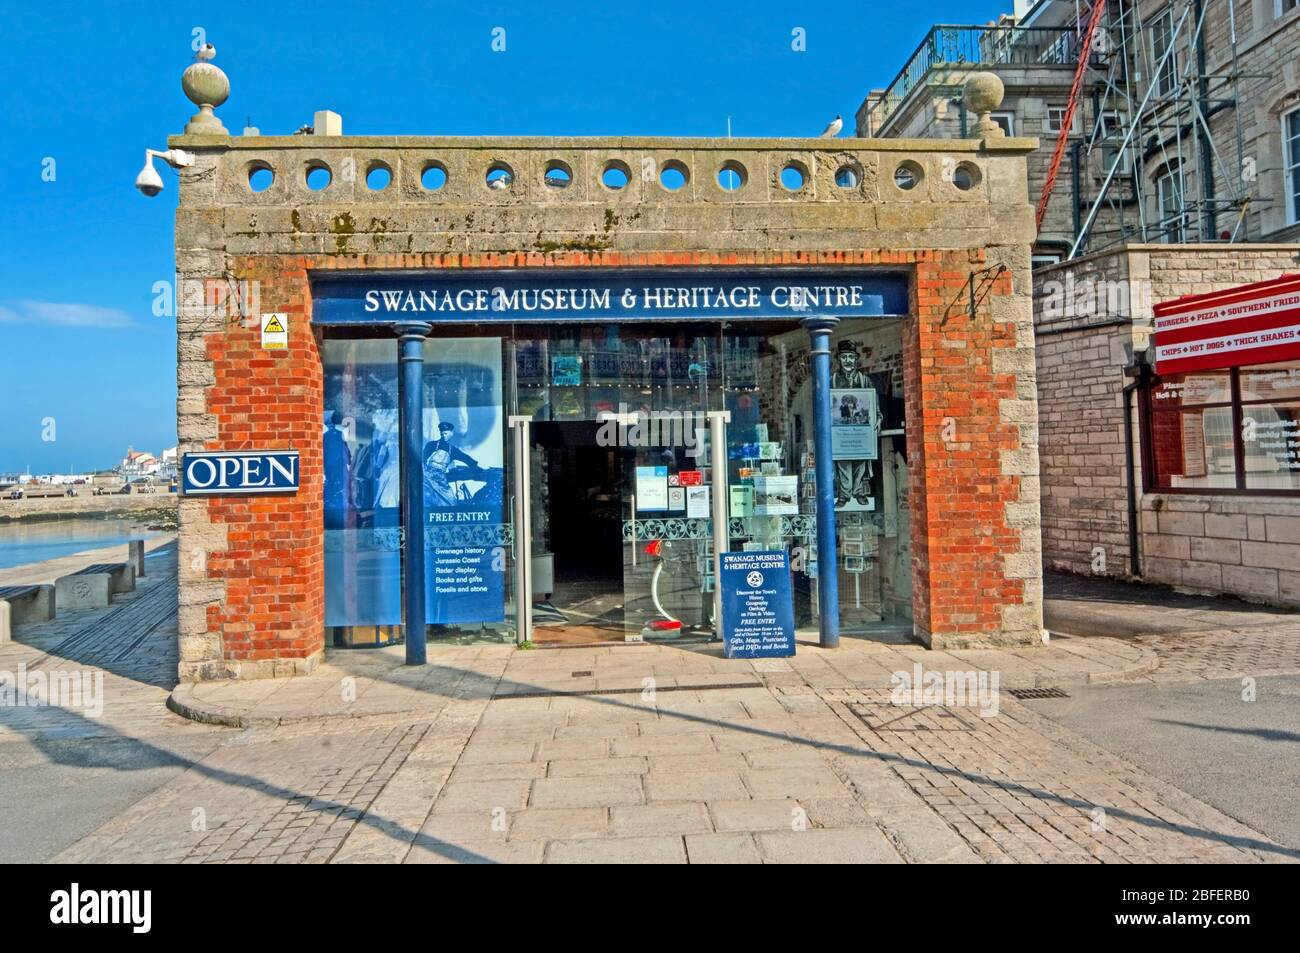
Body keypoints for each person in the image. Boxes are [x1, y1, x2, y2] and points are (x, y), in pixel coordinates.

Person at [423, 421, 481, 508]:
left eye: (446, 433)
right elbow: (423, 459)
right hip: (428, 476)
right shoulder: (431, 445)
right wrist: (423, 471)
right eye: (442, 433)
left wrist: (476, 466)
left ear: (451, 433)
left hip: (441, 479)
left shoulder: (453, 450)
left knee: (451, 502)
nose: (444, 436)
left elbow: (466, 458)